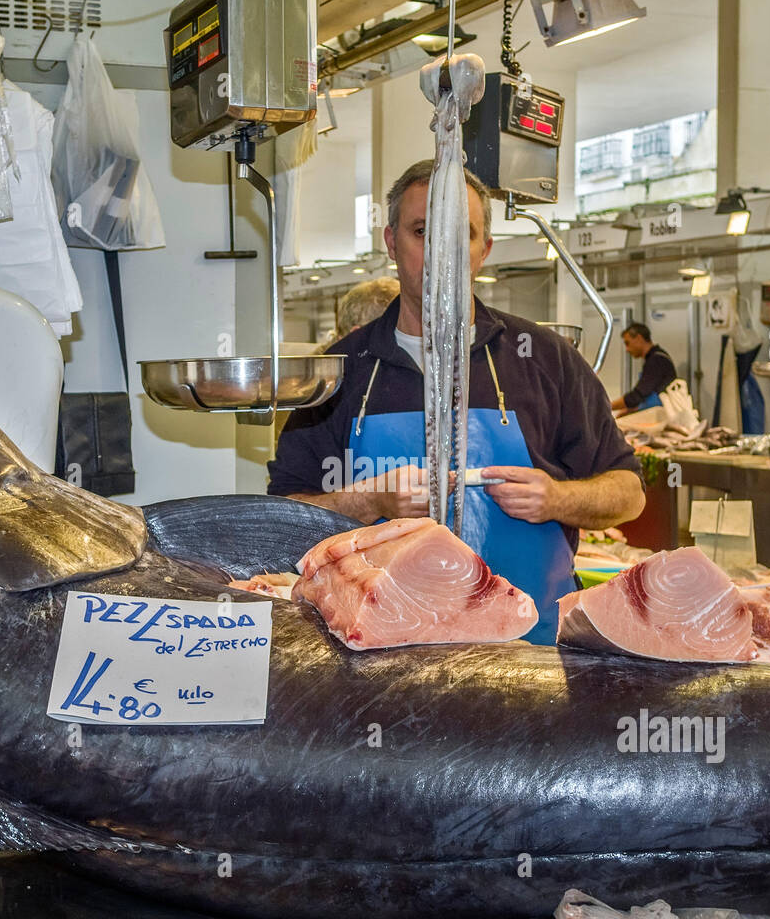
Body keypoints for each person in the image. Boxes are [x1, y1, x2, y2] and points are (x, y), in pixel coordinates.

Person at [267, 159, 644, 643]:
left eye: (460, 236)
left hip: (534, 658)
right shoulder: (340, 369)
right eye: (422, 231)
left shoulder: (544, 357)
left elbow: (628, 492)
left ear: (483, 249)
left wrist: (557, 498)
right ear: (390, 243)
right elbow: (280, 517)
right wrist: (368, 499)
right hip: (376, 658)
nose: (442, 255)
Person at [610, 323, 677, 417]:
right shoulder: (656, 358)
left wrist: (608, 406)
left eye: (627, 343)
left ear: (639, 338)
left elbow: (637, 396)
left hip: (661, 416)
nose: (627, 349)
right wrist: (631, 410)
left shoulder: (657, 360)